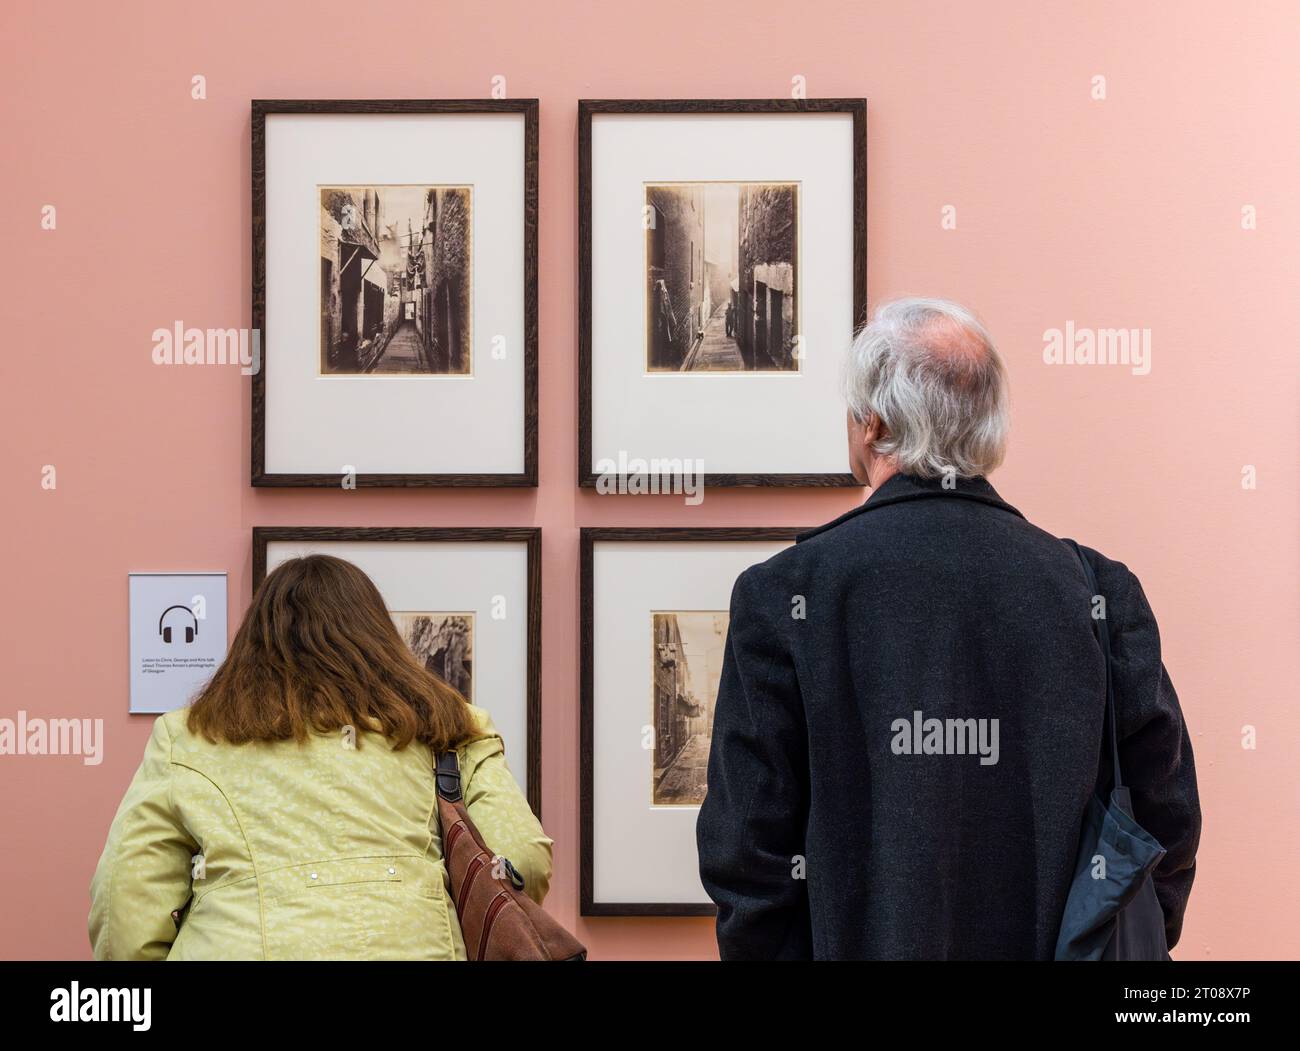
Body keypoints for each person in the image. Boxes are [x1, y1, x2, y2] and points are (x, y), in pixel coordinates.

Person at [696, 297, 1201, 960]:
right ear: (990, 427)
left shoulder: (784, 596)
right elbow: (1165, 821)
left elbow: (747, 858)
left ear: (870, 424)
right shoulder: (1098, 593)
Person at [89, 555, 551, 960]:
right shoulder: (450, 727)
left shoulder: (189, 736)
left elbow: (125, 900)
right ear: (380, 639)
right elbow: (523, 860)